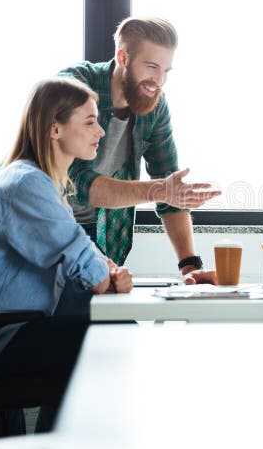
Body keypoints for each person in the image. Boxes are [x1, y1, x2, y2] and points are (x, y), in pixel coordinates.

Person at [0, 77, 132, 433]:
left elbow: (82, 254)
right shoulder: (25, 183)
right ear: (55, 129)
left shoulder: (45, 186)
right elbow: (82, 259)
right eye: (90, 121)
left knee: (102, 334)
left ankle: (50, 440)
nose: (101, 130)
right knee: (115, 337)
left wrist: (108, 271)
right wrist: (104, 276)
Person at [57, 16, 220, 300]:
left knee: (118, 323)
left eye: (166, 70)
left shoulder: (155, 108)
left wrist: (189, 267)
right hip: (50, 227)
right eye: (152, 67)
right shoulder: (76, 86)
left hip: (97, 233)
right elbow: (79, 181)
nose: (159, 80)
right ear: (123, 57)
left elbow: (170, 189)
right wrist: (159, 190)